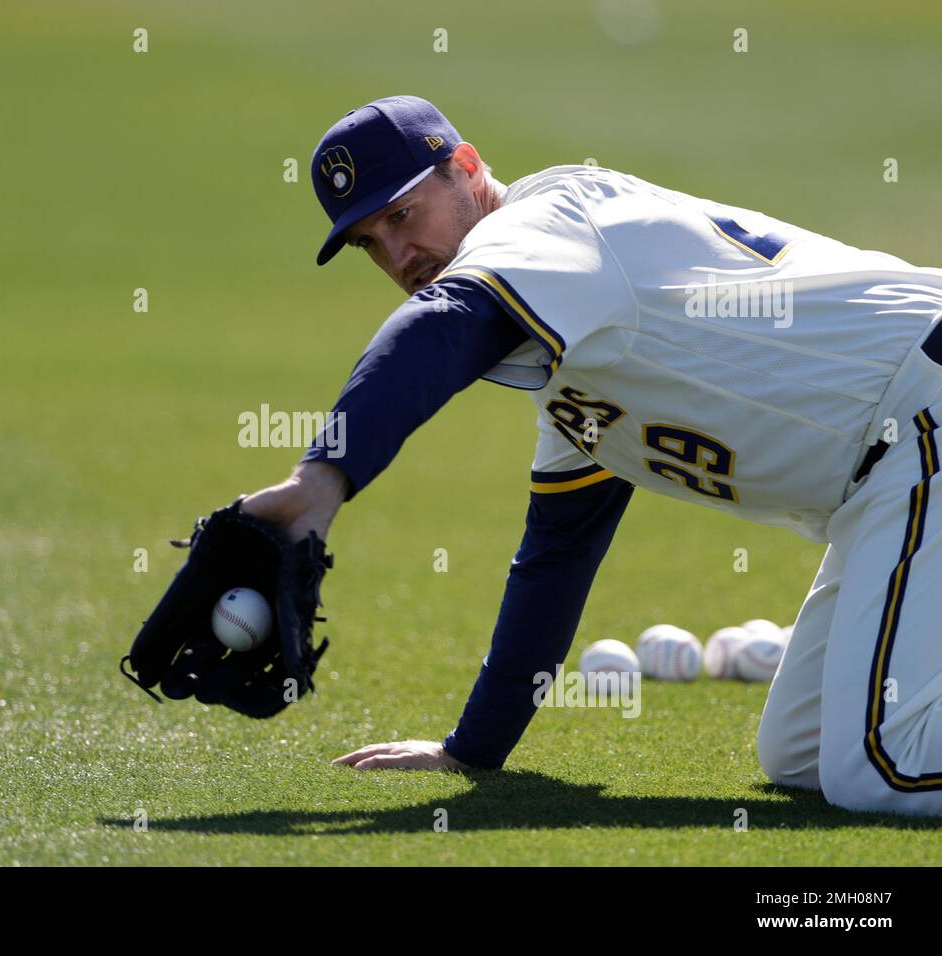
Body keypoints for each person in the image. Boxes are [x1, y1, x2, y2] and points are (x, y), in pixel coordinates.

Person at [240, 94, 942, 815]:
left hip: (925, 411)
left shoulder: (544, 226)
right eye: (369, 243)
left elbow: (442, 324)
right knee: (799, 755)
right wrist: (470, 749)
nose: (398, 257)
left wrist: (320, 479)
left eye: (400, 216)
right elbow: (558, 553)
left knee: (881, 773)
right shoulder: (567, 337)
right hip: (894, 468)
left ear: (466, 167)